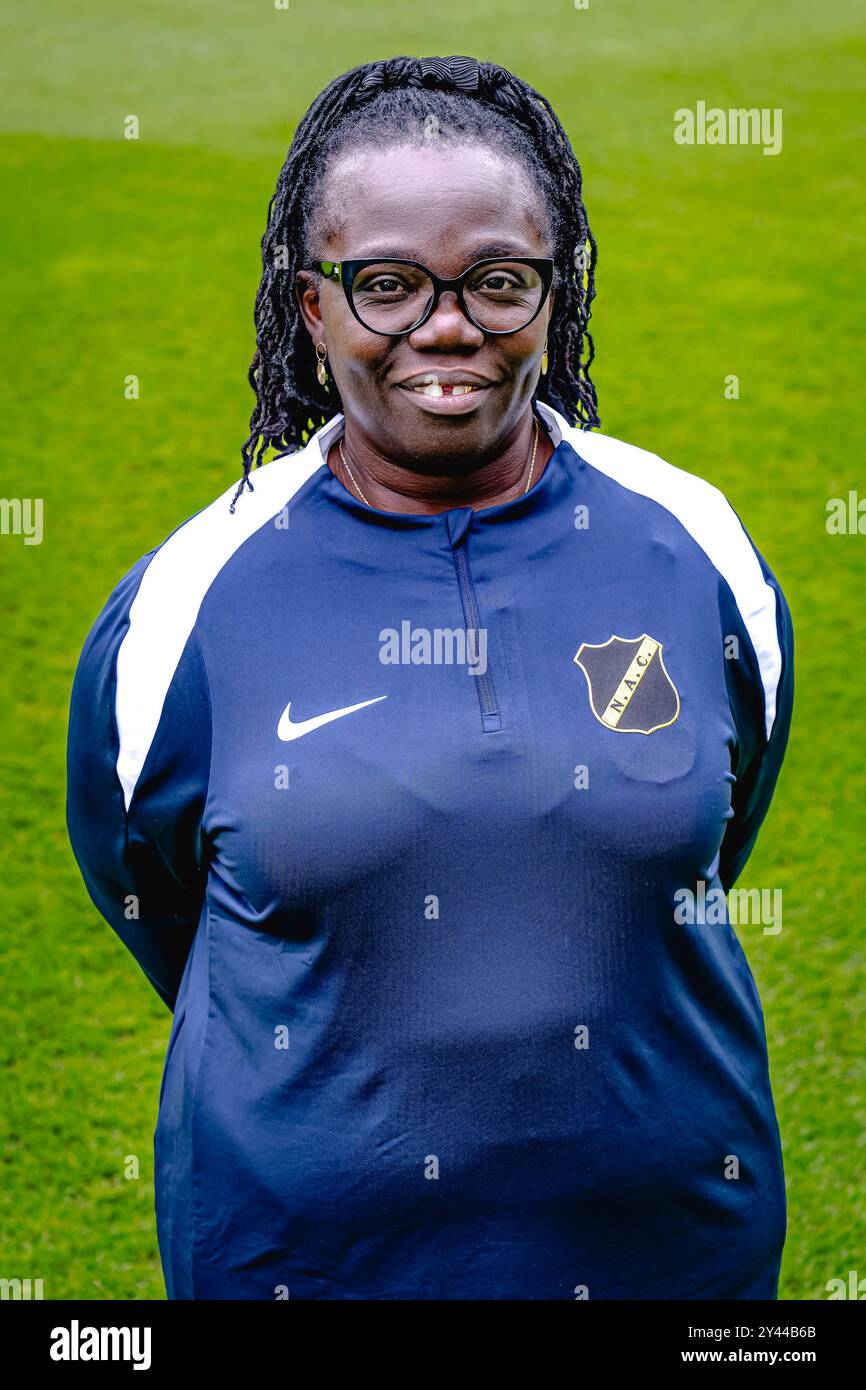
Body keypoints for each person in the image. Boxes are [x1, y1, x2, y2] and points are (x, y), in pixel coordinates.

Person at [65, 55, 794, 1300]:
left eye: (497, 282)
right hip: (303, 1262)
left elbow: (712, 829)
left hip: (670, 1257)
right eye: (386, 285)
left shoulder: (696, 545)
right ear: (311, 308)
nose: (445, 326)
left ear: (553, 296)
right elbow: (152, 897)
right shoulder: (191, 599)